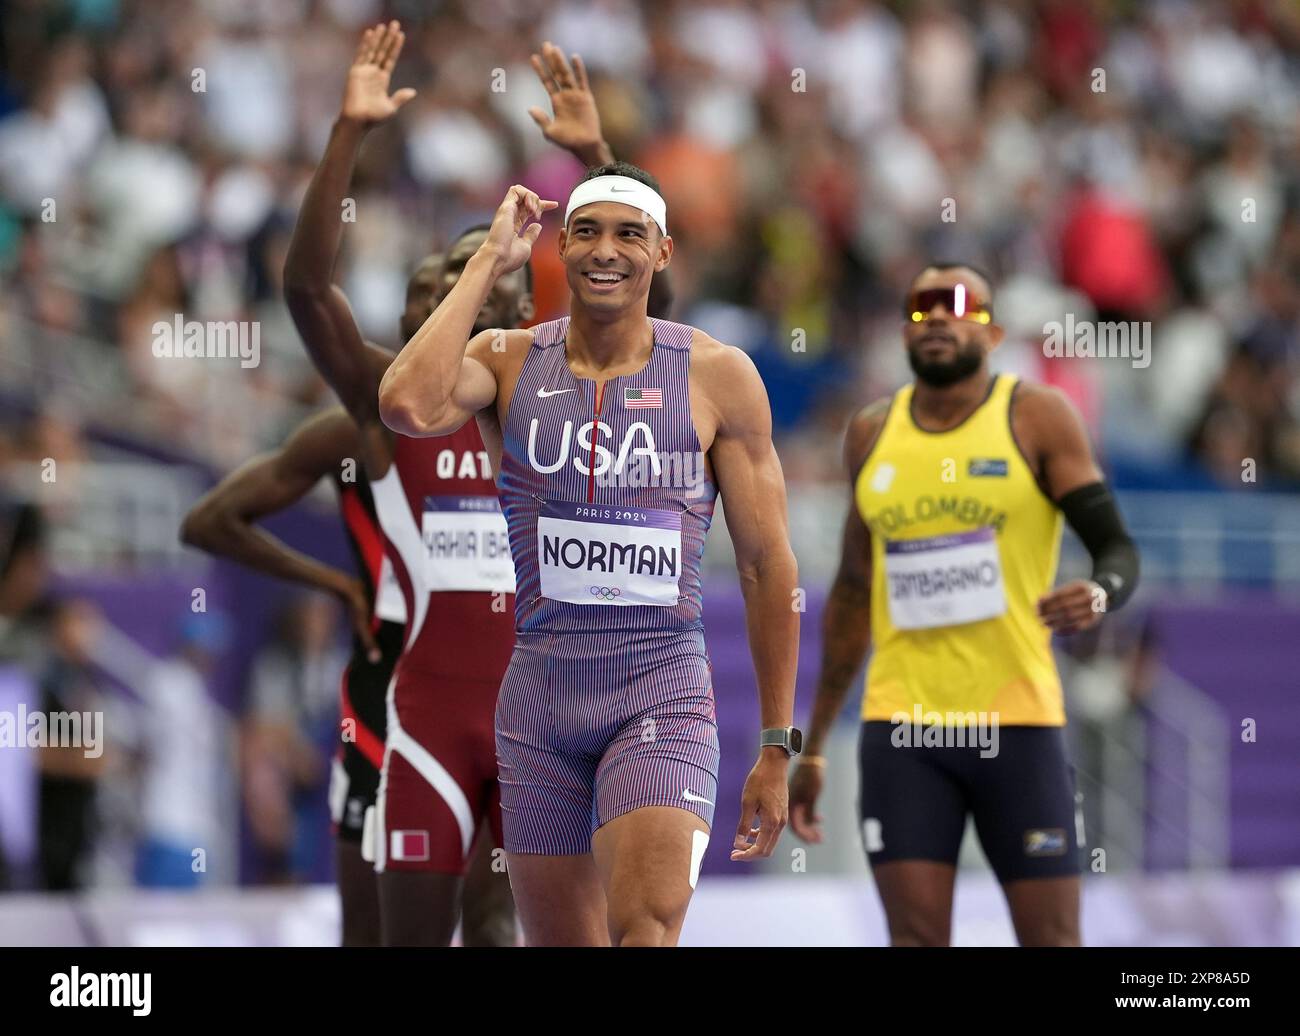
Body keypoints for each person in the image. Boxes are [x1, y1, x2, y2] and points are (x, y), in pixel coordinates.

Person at [378, 156, 802, 946]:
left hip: (660, 691)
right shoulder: (507, 359)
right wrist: (486, 260)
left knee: (644, 927)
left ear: (664, 253)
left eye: (629, 235)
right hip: (539, 699)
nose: (606, 250)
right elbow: (406, 403)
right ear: (560, 249)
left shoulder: (718, 376)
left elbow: (766, 565)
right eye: (587, 233)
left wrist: (778, 742)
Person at [789, 263, 1141, 946]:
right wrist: (817, 743)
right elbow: (853, 593)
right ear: (902, 333)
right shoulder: (870, 433)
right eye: (922, 308)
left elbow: (1117, 549)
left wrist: (1100, 593)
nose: (940, 318)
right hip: (905, 729)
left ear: (994, 330)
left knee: (1054, 939)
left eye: (959, 306)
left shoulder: (1036, 417)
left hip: (1018, 723)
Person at [182, 400, 412, 943]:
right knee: (299, 864)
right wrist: (329, 582)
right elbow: (262, 732)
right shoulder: (283, 662)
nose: (316, 623)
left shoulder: (334, 652)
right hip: (308, 766)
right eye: (309, 615)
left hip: (355, 748)